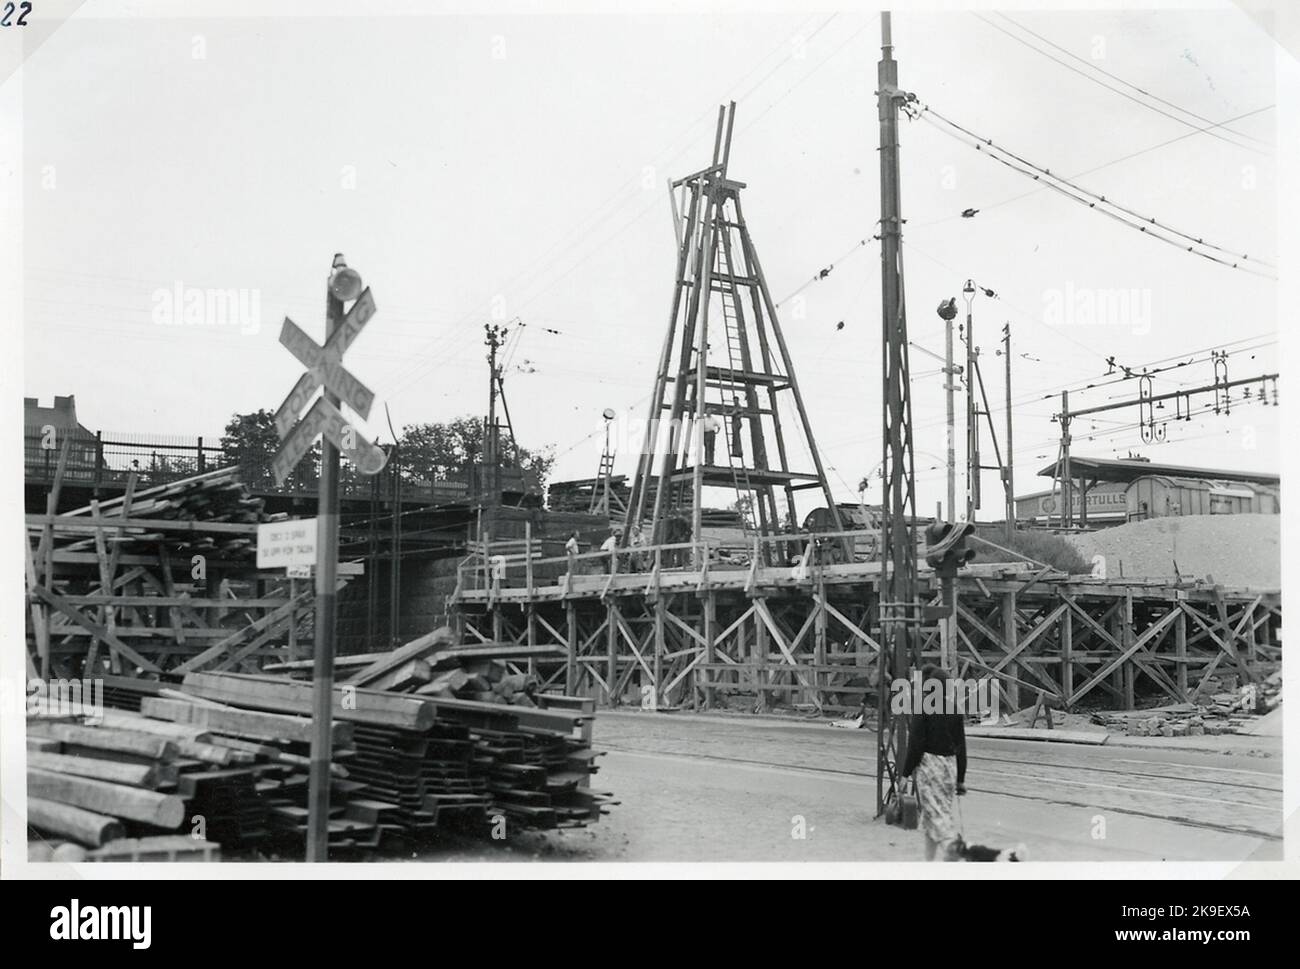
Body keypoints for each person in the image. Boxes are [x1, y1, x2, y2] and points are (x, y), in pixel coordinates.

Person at [899, 664, 968, 861]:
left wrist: (905, 773)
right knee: (934, 817)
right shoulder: (955, 710)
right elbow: (961, 748)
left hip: (930, 768)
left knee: (936, 818)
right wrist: (960, 778)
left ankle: (954, 850)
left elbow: (915, 746)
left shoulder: (923, 709)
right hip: (949, 767)